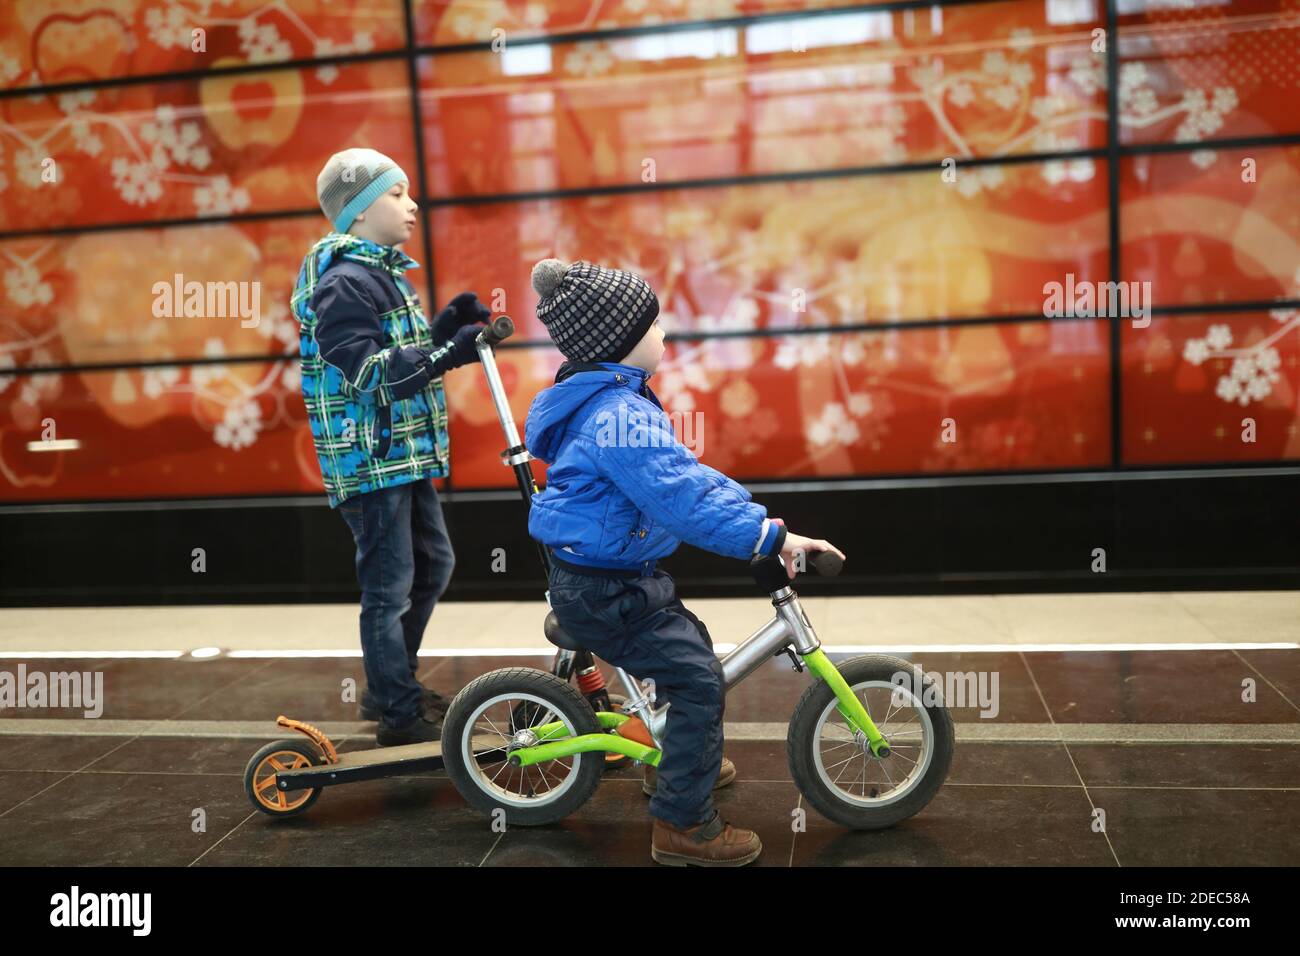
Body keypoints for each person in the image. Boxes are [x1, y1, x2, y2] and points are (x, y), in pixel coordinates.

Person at [524, 257, 845, 866]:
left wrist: (759, 519)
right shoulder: (617, 417)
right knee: (697, 678)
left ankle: (674, 758)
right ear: (619, 342)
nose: (665, 335)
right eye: (654, 325)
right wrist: (769, 539)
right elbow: (682, 499)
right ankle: (682, 824)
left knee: (688, 644)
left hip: (616, 577)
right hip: (603, 590)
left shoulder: (620, 402)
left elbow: (687, 477)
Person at [290, 147, 489, 747]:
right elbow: (367, 372)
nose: (412, 204)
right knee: (390, 587)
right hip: (371, 460)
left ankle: (389, 685)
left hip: (401, 454)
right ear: (356, 211)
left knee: (432, 565)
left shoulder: (379, 276)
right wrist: (445, 354)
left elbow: (396, 360)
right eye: (397, 194)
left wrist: (441, 334)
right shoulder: (344, 284)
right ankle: (397, 712)